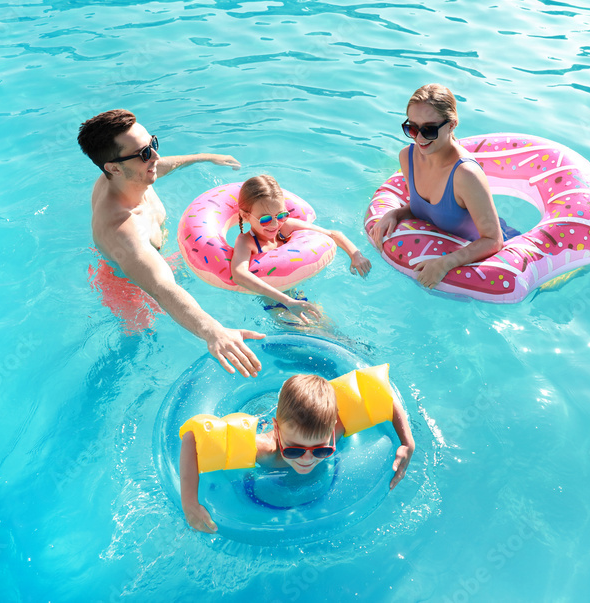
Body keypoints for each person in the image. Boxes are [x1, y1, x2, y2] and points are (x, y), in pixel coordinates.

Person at [79, 109, 264, 377]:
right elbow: (161, 288)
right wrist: (214, 331)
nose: (155, 156)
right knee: (140, 342)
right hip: (128, 286)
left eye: (153, 143)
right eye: (145, 153)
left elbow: (162, 165)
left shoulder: (135, 175)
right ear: (114, 168)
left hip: (157, 256)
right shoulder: (122, 230)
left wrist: (206, 157)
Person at [180, 372, 415, 533]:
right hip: (257, 427)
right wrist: (189, 503)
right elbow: (193, 437)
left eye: (322, 449)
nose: (307, 459)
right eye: (293, 449)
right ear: (277, 429)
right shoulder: (263, 450)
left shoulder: (337, 428)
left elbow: (379, 393)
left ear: (331, 430)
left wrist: (407, 442)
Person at [369, 84, 518, 289]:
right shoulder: (408, 157)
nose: (419, 138)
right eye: (412, 128)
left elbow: (494, 240)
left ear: (452, 124)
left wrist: (445, 263)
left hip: (499, 258)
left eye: (428, 129)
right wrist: (396, 214)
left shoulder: (465, 174)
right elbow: (425, 209)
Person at [230, 175, 371, 324]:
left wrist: (356, 255)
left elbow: (333, 234)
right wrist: (287, 301)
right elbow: (239, 274)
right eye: (265, 219)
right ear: (246, 216)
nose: (274, 224)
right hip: (274, 304)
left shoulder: (286, 227)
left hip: (296, 294)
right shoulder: (246, 241)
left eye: (280, 215)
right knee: (310, 333)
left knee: (329, 328)